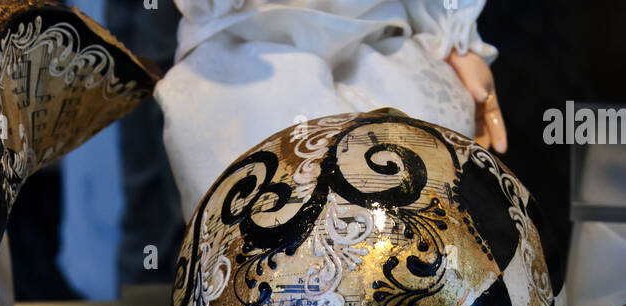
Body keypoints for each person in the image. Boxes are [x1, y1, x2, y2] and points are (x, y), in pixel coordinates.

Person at [154, 0, 506, 218]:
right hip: (245, 42)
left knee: (426, 164)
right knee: (260, 191)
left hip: (378, 37)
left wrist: (455, 36)